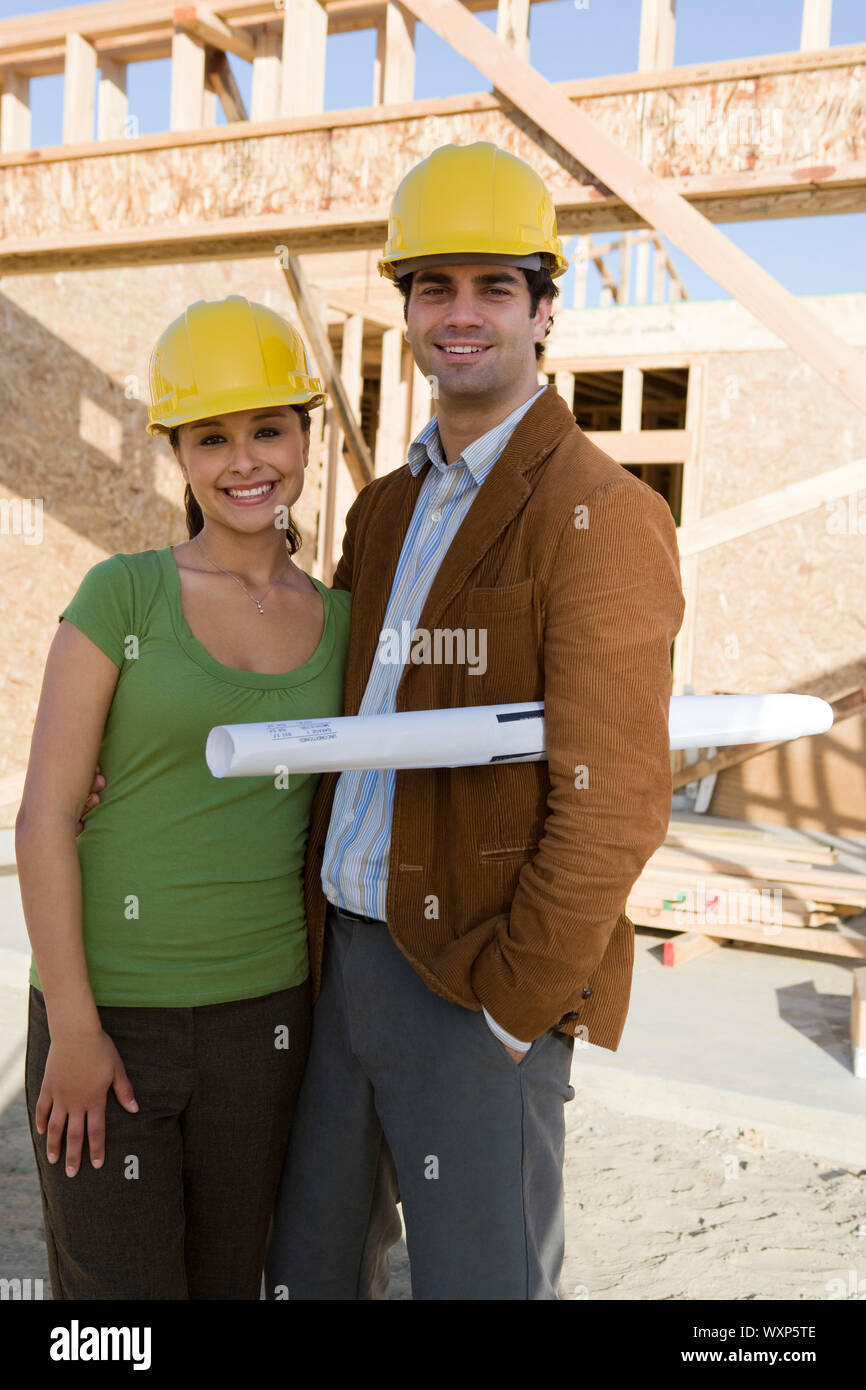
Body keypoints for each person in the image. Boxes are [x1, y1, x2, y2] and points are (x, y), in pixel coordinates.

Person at [264, 142, 686, 1300]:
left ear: (543, 309)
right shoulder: (385, 507)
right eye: (432, 286)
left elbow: (616, 803)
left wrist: (509, 1009)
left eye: (493, 287)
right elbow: (333, 715)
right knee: (306, 1273)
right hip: (341, 959)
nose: (460, 315)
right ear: (403, 306)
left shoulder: (598, 512)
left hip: (472, 981)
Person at [16, 296, 350, 1300]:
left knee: (225, 1283)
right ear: (179, 453)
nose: (245, 460)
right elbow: (43, 815)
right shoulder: (123, 596)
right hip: (109, 1016)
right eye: (213, 437)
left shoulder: (342, 621)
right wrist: (74, 1025)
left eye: (268, 429)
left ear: (305, 438)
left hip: (267, 1017)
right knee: (116, 1306)